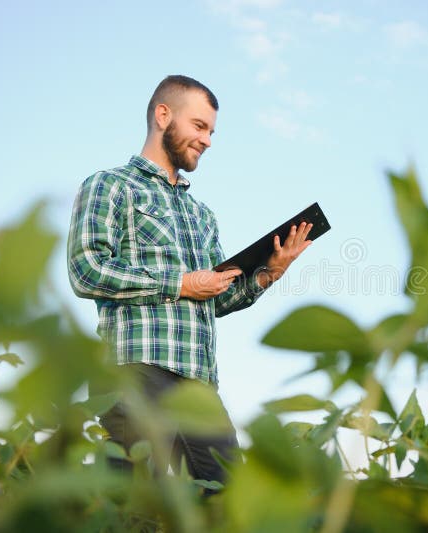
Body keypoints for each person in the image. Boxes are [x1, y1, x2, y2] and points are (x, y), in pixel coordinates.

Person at [66, 75, 313, 489]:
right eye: (199, 126)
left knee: (228, 494)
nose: (208, 140)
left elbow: (216, 296)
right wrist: (180, 284)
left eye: (212, 131)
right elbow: (86, 269)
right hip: (134, 369)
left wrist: (271, 271)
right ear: (163, 115)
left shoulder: (203, 215)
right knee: (132, 499)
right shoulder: (110, 185)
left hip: (199, 383)